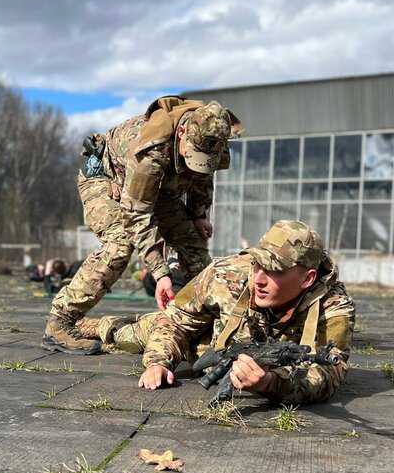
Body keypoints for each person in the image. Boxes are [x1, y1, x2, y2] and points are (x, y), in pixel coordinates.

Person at [42, 95, 243, 354]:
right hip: (107, 179)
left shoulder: (213, 135)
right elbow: (137, 214)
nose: (198, 157)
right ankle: (60, 322)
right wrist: (160, 273)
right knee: (120, 245)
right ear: (182, 132)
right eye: (191, 152)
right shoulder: (151, 150)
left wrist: (198, 213)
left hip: (160, 190)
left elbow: (202, 174)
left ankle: (203, 318)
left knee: (192, 241)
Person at [76, 220, 355, 405]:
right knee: (135, 335)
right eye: (258, 264)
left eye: (275, 271)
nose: (258, 278)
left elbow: (329, 373)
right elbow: (175, 323)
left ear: (307, 279)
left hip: (219, 343)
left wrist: (272, 383)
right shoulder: (225, 274)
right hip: (193, 331)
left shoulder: (333, 307)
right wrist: (158, 364)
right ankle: (102, 326)